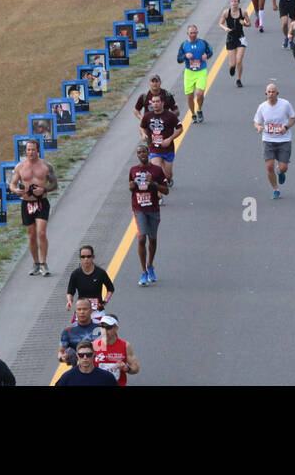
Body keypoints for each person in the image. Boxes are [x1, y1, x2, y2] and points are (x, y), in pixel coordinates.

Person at [12, 140, 58, 275]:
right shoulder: (20, 167)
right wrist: (15, 190)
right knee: (31, 235)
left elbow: (54, 184)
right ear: (25, 151)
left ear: (38, 150)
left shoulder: (46, 166)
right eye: (28, 150)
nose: (31, 152)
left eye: (33, 149)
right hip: (26, 203)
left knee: (41, 233)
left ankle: (44, 263)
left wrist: (44, 190)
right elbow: (12, 184)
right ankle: (36, 263)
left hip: (41, 203)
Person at [129, 142, 168, 284]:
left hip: (153, 209)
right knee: (141, 238)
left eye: (144, 151)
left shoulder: (157, 170)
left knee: (152, 239)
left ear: (148, 153)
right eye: (139, 152)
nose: (142, 154)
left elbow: (166, 191)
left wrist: (154, 184)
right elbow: (132, 187)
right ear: (137, 155)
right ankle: (143, 272)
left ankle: (150, 265)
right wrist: (131, 187)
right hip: (139, 209)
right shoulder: (133, 170)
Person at [254, 82, 295, 200]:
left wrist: (286, 127)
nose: (271, 94)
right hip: (268, 140)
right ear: (266, 94)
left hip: (284, 140)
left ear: (277, 93)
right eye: (269, 92)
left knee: (283, 168)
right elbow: (256, 122)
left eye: (273, 92)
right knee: (269, 166)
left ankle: (280, 171)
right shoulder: (262, 107)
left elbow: (294, 118)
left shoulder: (285, 105)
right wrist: (258, 127)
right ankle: (275, 189)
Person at [140, 94, 183, 189]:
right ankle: (159, 196)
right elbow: (142, 127)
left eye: (157, 101)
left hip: (168, 149)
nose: (155, 104)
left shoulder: (170, 116)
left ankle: (168, 179)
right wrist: (143, 134)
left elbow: (180, 128)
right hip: (154, 148)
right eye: (153, 102)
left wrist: (170, 139)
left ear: (162, 103)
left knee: (168, 175)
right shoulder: (147, 116)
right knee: (156, 171)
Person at [176, 24, 213, 122]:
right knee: (190, 96)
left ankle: (199, 110)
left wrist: (207, 56)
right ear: (187, 33)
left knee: (199, 93)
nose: (193, 34)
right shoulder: (184, 45)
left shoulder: (203, 43)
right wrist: (185, 56)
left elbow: (210, 52)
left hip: (201, 71)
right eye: (191, 33)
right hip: (189, 72)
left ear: (197, 33)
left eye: (195, 32)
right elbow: (178, 59)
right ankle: (193, 114)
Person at [92, 314, 139, 386]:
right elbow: (81, 367)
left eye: (108, 328)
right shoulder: (93, 346)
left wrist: (127, 368)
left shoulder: (125, 345)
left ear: (116, 328)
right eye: (102, 327)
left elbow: (135, 368)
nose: (104, 331)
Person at [66, 245, 114, 313]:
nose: (86, 259)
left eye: (88, 256)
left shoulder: (100, 273)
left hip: (97, 311)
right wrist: (69, 301)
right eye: (83, 257)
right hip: (81, 311)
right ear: (80, 258)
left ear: (93, 257)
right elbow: (70, 292)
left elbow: (110, 288)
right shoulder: (75, 274)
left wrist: (105, 301)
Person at [219, 0, 252, 87]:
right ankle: (232, 67)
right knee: (233, 63)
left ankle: (238, 79)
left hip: (240, 38)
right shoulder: (226, 12)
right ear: (230, 3)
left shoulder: (243, 12)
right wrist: (225, 28)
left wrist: (244, 24)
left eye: (235, 1)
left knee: (239, 60)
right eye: (232, 1)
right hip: (230, 38)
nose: (233, 3)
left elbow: (249, 24)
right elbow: (220, 23)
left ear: (238, 3)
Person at [58, 299, 102, 365]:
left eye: (85, 309)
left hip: (98, 369)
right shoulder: (68, 330)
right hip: (78, 370)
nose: (82, 312)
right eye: (79, 309)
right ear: (75, 312)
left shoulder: (101, 328)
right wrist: (62, 358)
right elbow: (61, 352)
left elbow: (108, 350)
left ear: (91, 311)